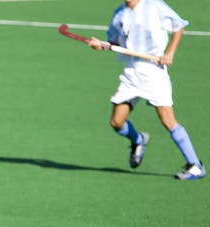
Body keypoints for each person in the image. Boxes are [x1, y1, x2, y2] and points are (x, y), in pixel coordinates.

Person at [86, 0, 204, 181]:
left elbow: (178, 27)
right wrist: (101, 44)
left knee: (167, 119)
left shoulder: (154, 6)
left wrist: (170, 53)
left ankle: (195, 165)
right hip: (131, 72)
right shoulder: (119, 14)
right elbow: (114, 42)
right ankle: (139, 140)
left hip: (154, 71)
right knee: (116, 122)